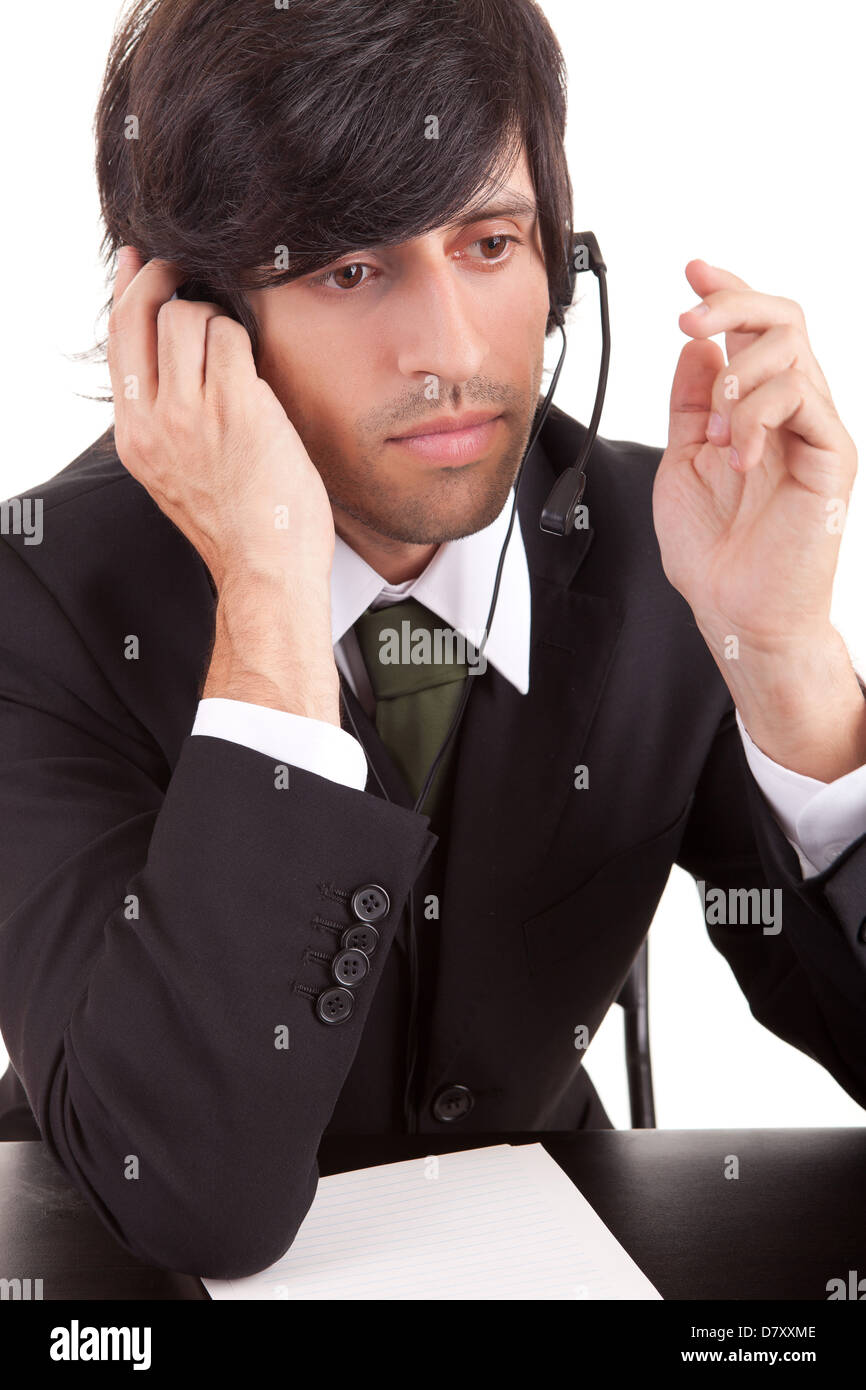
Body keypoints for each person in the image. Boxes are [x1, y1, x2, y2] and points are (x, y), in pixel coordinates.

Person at [0, 0, 864, 1281]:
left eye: (490, 243)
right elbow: (188, 1196)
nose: (452, 353)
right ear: (191, 316)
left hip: (552, 1253)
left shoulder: (668, 542)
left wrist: (785, 656)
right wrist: (271, 601)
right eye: (348, 267)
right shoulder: (41, 603)